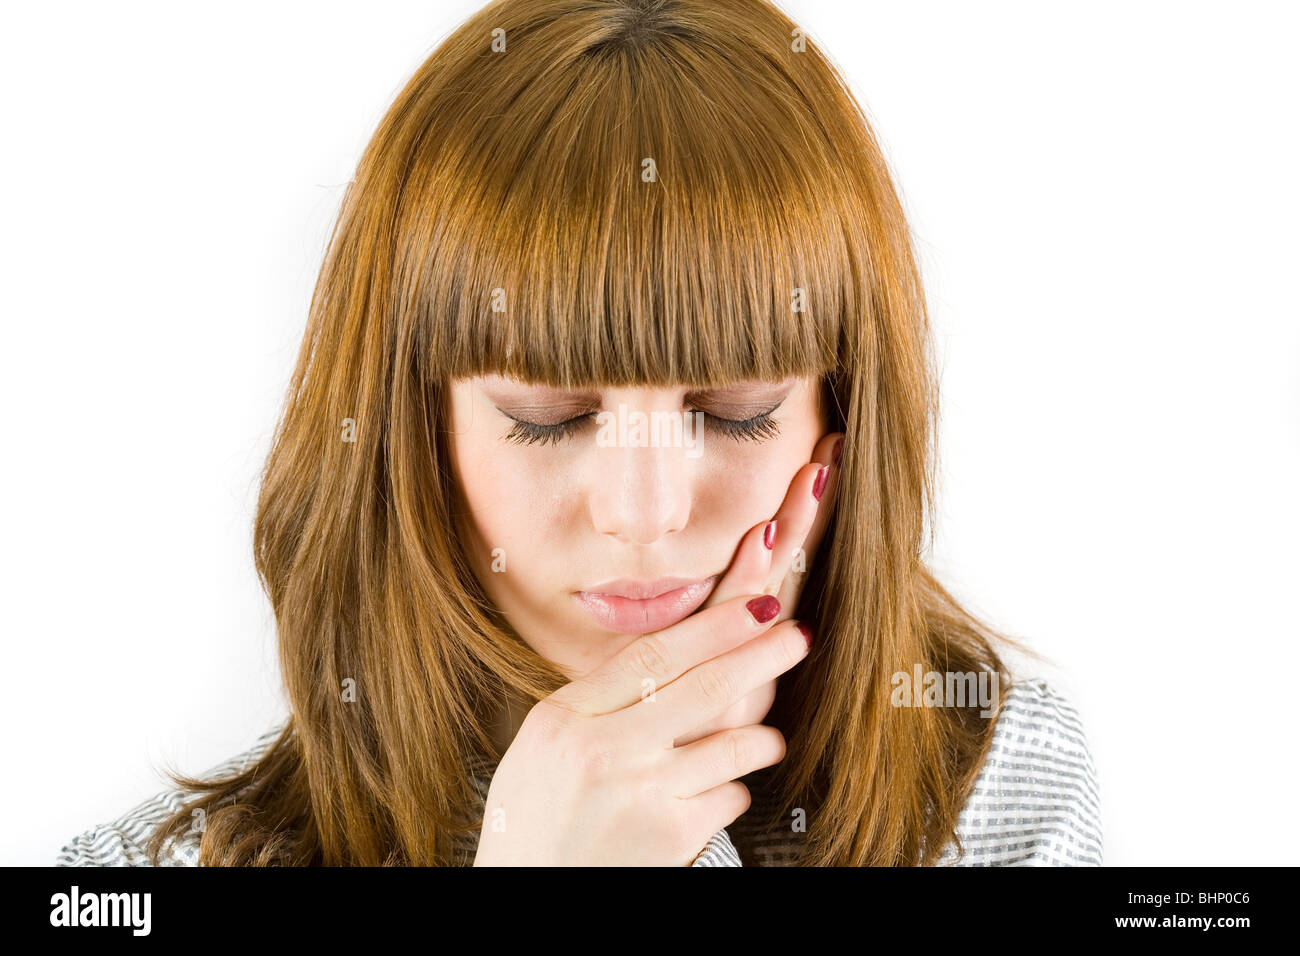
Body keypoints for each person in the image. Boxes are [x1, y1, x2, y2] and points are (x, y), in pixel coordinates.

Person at [57, 0, 1101, 867]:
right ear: (405, 429)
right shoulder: (131, 878)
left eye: (736, 410)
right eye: (545, 417)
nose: (643, 513)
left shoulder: (996, 780)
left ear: (842, 421)